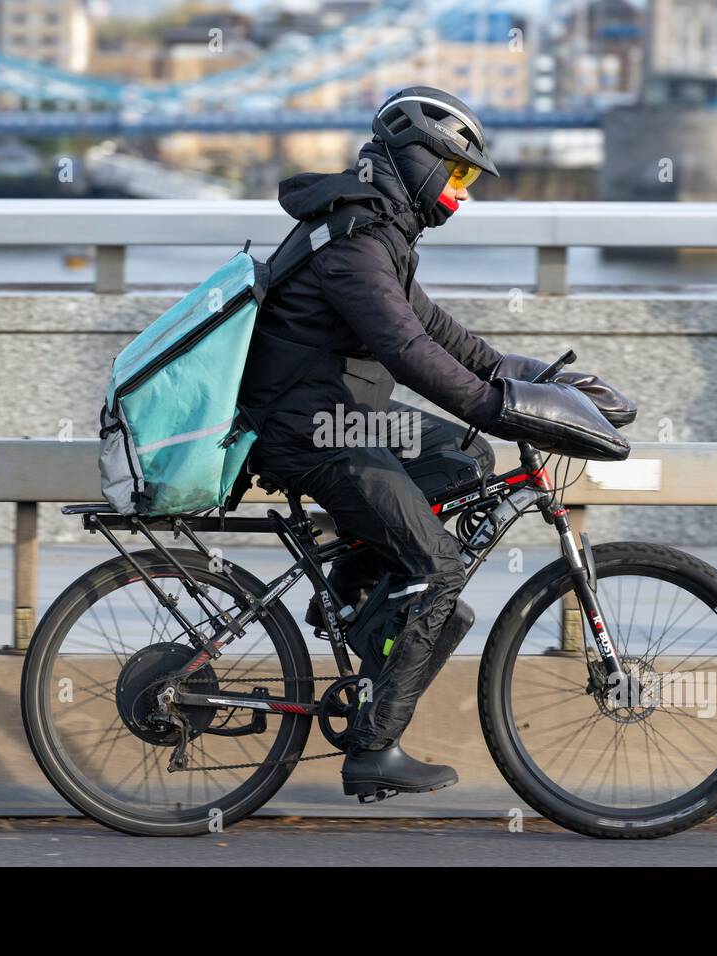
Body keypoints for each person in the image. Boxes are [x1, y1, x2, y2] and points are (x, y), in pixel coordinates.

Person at [239, 87, 636, 800]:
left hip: (344, 415)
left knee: (465, 460)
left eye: (468, 182)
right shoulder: (355, 239)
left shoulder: (380, 231)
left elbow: (448, 339)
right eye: (455, 175)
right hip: (312, 430)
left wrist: (550, 382)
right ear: (418, 162)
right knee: (442, 566)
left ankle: (360, 603)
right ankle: (373, 745)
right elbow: (403, 349)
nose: (460, 195)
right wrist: (502, 409)